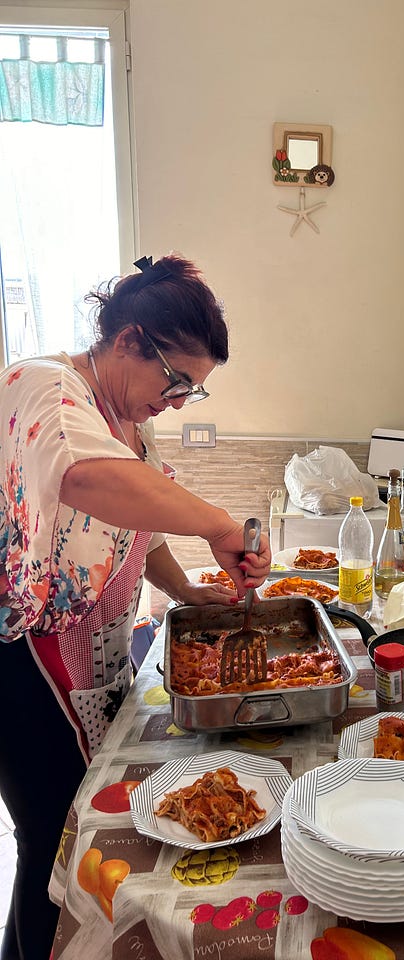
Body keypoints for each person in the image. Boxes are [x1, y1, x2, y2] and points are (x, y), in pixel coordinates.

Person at [0, 253, 271, 960]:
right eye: (176, 380)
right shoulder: (43, 385)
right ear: (127, 341)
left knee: (65, 826)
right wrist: (217, 523)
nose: (179, 400)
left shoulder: (124, 424)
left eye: (193, 392)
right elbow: (88, 480)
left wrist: (183, 590)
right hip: (24, 665)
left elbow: (136, 527)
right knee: (52, 834)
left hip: (94, 659)